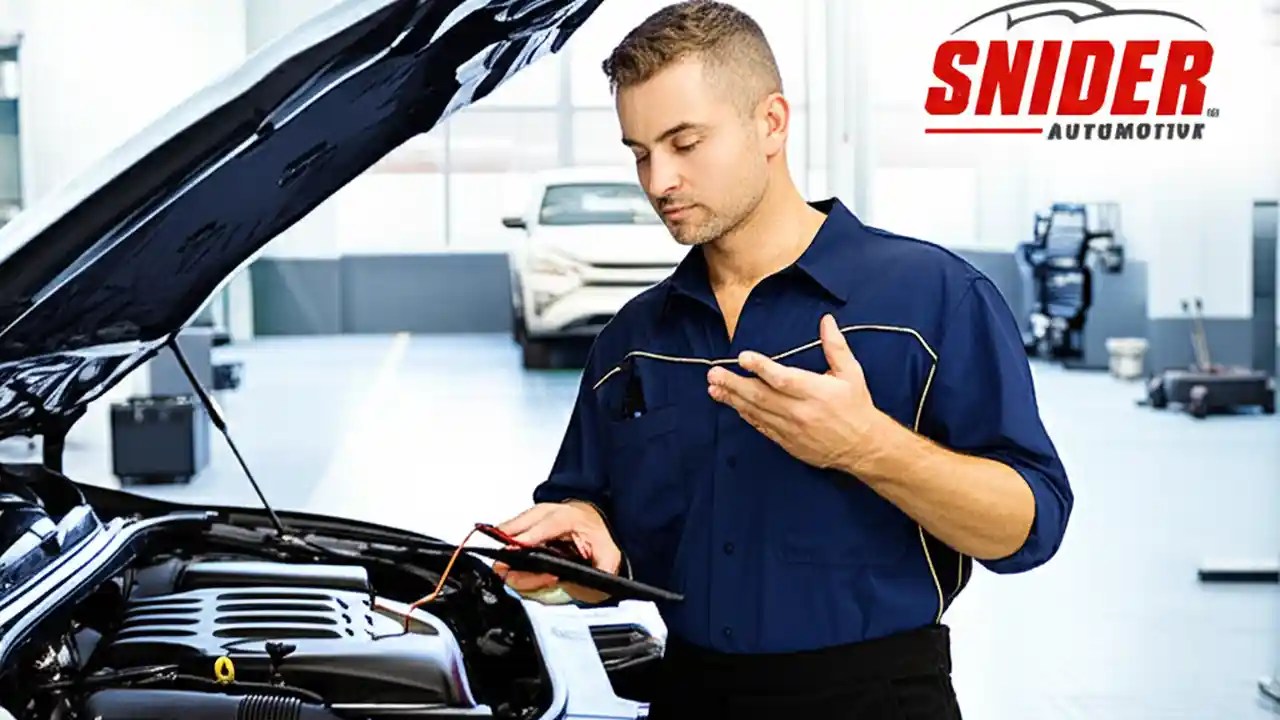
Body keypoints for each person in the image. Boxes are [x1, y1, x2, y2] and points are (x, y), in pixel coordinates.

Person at [495, 1, 1073, 717]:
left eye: (684, 142)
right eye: (640, 151)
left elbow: (1030, 527)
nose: (658, 181)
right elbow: (598, 535)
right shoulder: (632, 342)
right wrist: (579, 546)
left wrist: (868, 447)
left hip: (876, 697)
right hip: (690, 696)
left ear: (771, 122)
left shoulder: (933, 301)